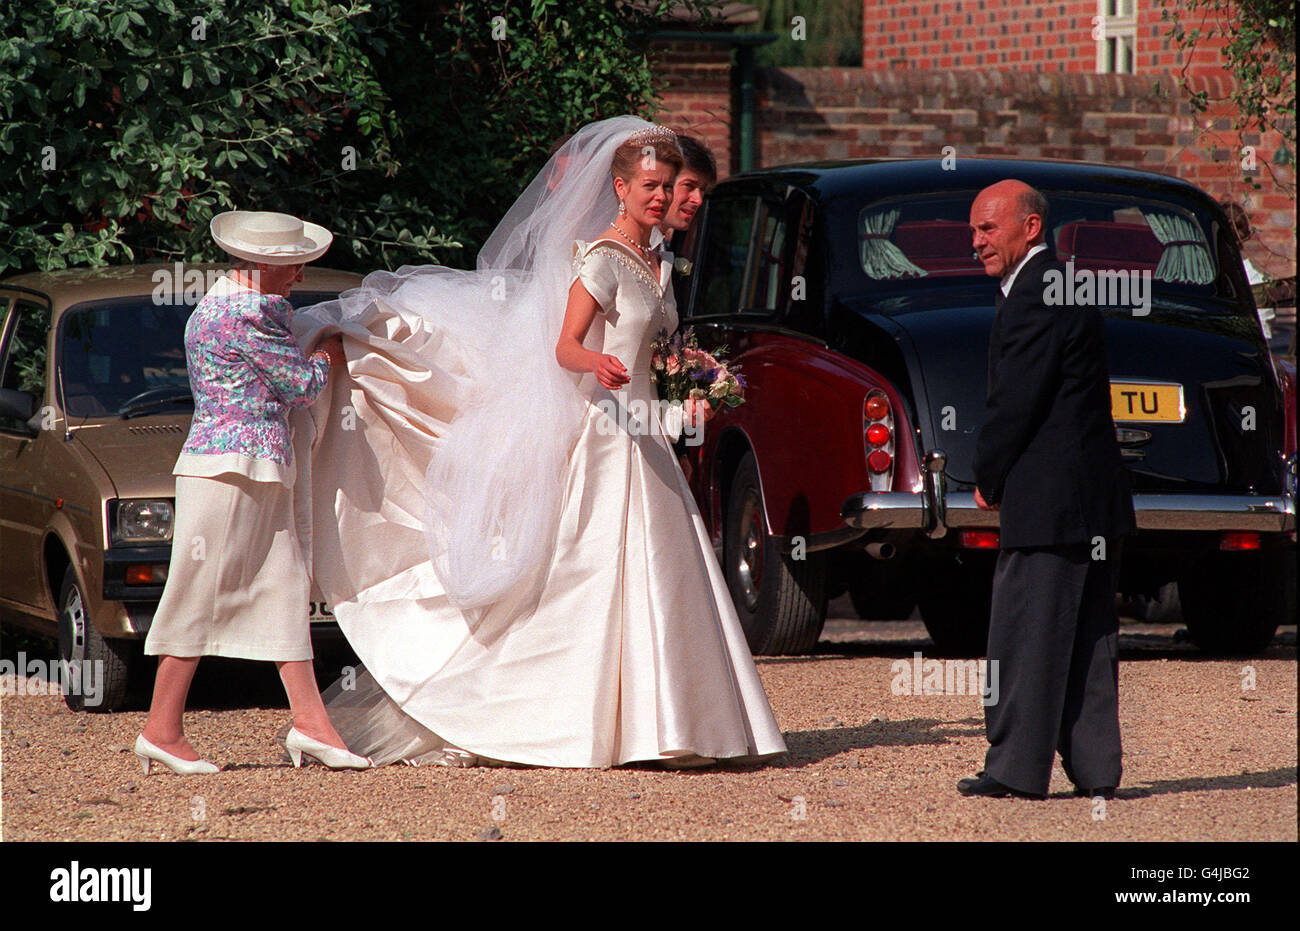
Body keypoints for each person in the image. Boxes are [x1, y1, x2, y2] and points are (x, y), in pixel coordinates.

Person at [292, 116, 786, 768]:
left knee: (660, 571)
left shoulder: (659, 262)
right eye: (650, 185)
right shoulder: (602, 260)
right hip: (604, 433)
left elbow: (654, 348)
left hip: (643, 434)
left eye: (669, 186)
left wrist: (683, 389)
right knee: (584, 571)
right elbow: (565, 346)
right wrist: (596, 365)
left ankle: (667, 721)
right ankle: (551, 720)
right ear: (619, 187)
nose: (662, 197)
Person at [134, 210, 371, 774]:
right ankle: (161, 729)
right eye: (291, 268)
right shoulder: (242, 317)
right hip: (229, 470)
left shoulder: (230, 305)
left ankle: (312, 724)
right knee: (196, 592)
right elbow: (300, 386)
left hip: (247, 466)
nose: (298, 277)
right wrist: (326, 353)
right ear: (263, 263)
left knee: (283, 586)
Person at [958, 180, 1135, 800]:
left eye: (988, 228)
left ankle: (1014, 770)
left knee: (1026, 632)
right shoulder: (1063, 284)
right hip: (1091, 499)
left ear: (1029, 228)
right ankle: (1095, 770)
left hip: (1051, 499)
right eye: (974, 229)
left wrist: (986, 473)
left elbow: (1018, 400)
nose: (976, 241)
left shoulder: (1035, 293)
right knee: (1087, 635)